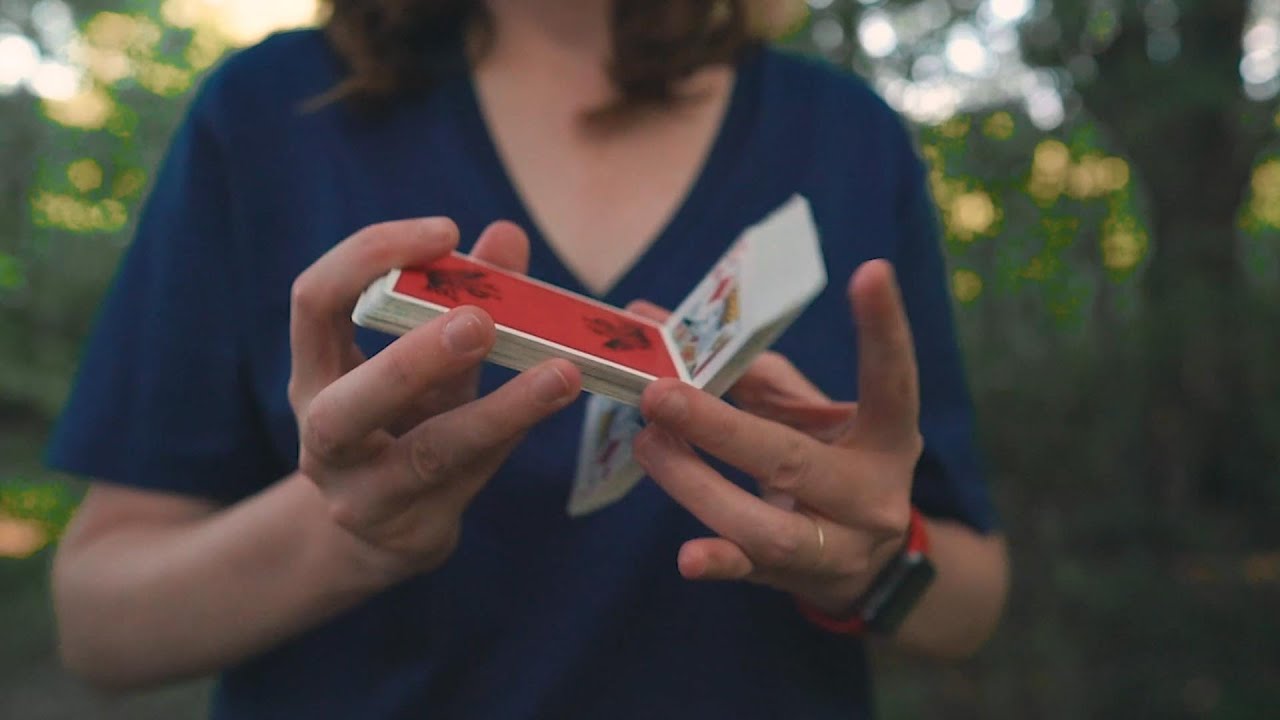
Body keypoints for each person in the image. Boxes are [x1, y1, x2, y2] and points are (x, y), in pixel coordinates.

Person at [47, 1, 1009, 718]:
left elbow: (970, 599)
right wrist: (350, 537)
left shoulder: (849, 135)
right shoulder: (268, 112)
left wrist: (867, 563)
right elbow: (98, 623)